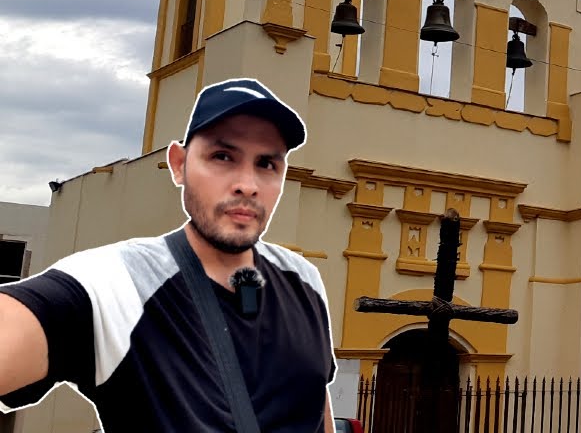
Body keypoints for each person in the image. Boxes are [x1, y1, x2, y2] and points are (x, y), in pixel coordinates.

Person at [0, 78, 337, 432]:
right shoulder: (119, 283)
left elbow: (316, 407)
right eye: (222, 156)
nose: (248, 184)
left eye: (267, 164)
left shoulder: (305, 280)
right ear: (179, 164)